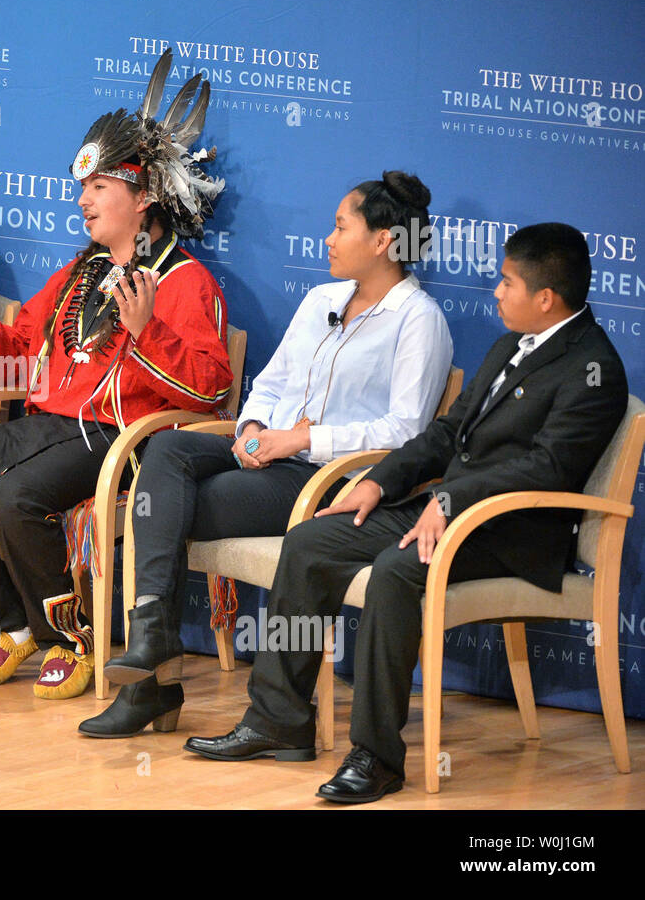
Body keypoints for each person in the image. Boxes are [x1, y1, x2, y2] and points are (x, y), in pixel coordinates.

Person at [185, 222, 627, 803]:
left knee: (396, 571)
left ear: (546, 298)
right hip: (445, 512)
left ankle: (375, 757)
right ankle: (278, 719)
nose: (495, 292)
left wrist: (448, 501)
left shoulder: (594, 370)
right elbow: (445, 435)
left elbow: (545, 471)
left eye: (507, 282)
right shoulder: (509, 346)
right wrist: (378, 482)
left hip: (513, 531)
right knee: (312, 542)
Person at [0, 49, 233, 701]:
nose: (82, 201)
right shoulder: (77, 273)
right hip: (47, 425)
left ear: (146, 196)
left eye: (98, 187)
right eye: (82, 188)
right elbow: (20, 359)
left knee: (13, 499)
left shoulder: (187, 283)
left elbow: (210, 389)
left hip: (118, 441)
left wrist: (148, 333)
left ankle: (68, 639)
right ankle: (8, 624)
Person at [79, 171, 453, 738]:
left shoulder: (419, 320)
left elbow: (405, 431)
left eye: (340, 226)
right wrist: (253, 427)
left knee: (162, 506)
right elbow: (273, 382)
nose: (327, 239)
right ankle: (152, 637)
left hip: (325, 478)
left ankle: (148, 677)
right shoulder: (321, 299)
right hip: (267, 453)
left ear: (382, 241)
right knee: (171, 447)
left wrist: (300, 439)